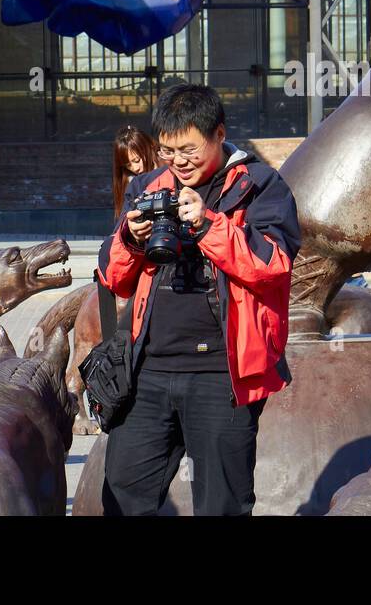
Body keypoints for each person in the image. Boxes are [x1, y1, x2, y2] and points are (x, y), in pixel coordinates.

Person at [97, 84, 300, 515]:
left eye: (188, 150)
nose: (179, 162)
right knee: (123, 492)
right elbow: (113, 279)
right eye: (168, 151)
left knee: (221, 503)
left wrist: (209, 225)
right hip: (147, 370)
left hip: (222, 374)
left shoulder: (259, 185)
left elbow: (273, 265)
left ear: (219, 133)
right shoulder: (149, 185)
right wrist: (130, 239)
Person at [111, 125, 158, 221]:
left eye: (137, 160)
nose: (135, 168)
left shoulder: (168, 170)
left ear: (151, 147)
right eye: (128, 165)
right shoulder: (130, 182)